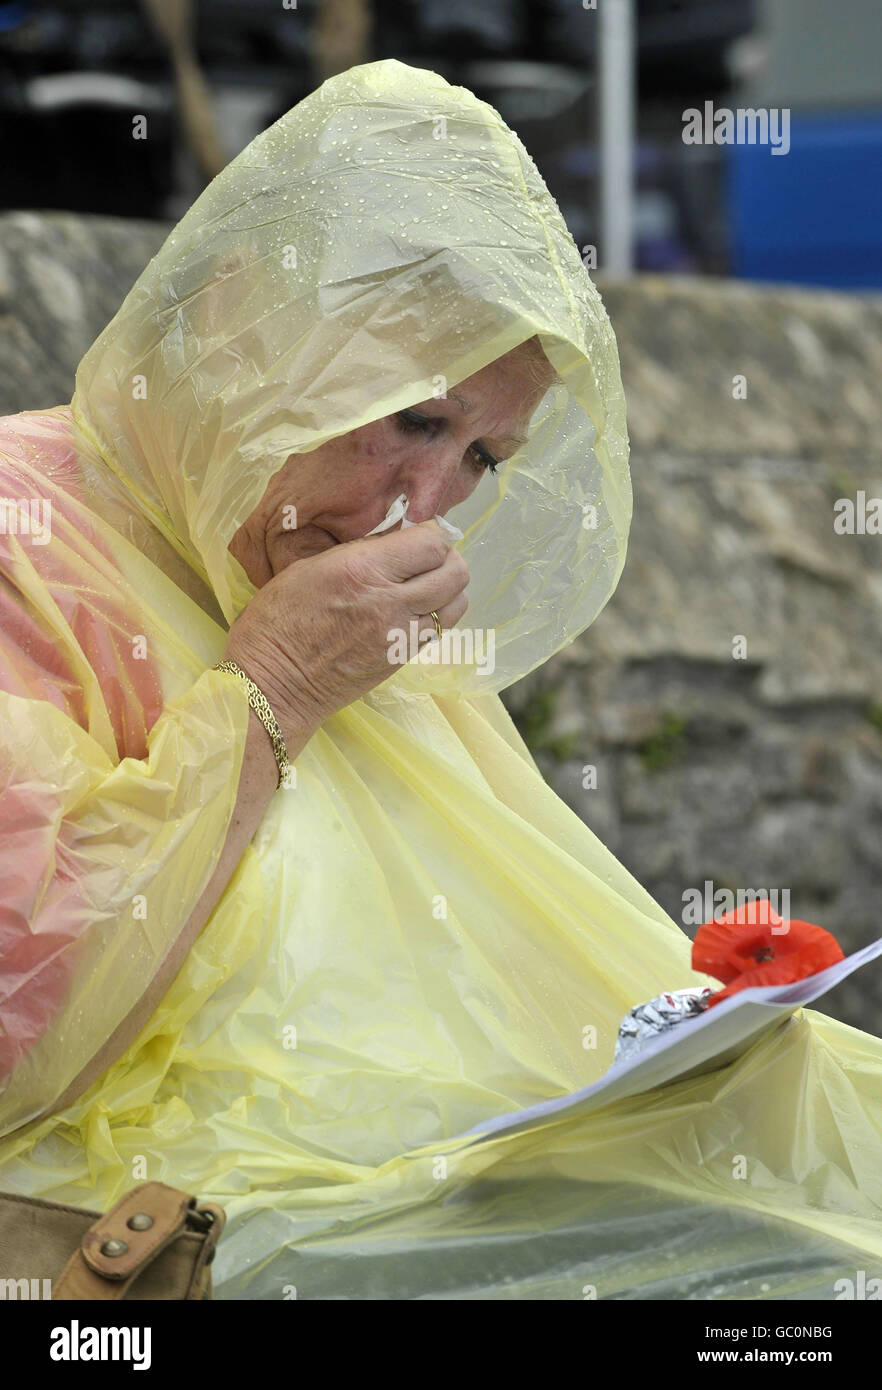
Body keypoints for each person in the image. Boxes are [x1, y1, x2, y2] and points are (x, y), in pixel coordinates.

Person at [0, 59, 880, 1300]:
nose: (427, 507)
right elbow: (19, 1024)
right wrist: (271, 692)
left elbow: (483, 939)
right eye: (414, 418)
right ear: (260, 331)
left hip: (427, 1175)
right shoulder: (28, 543)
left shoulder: (338, 583)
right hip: (167, 1228)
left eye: (481, 456)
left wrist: (675, 1030)